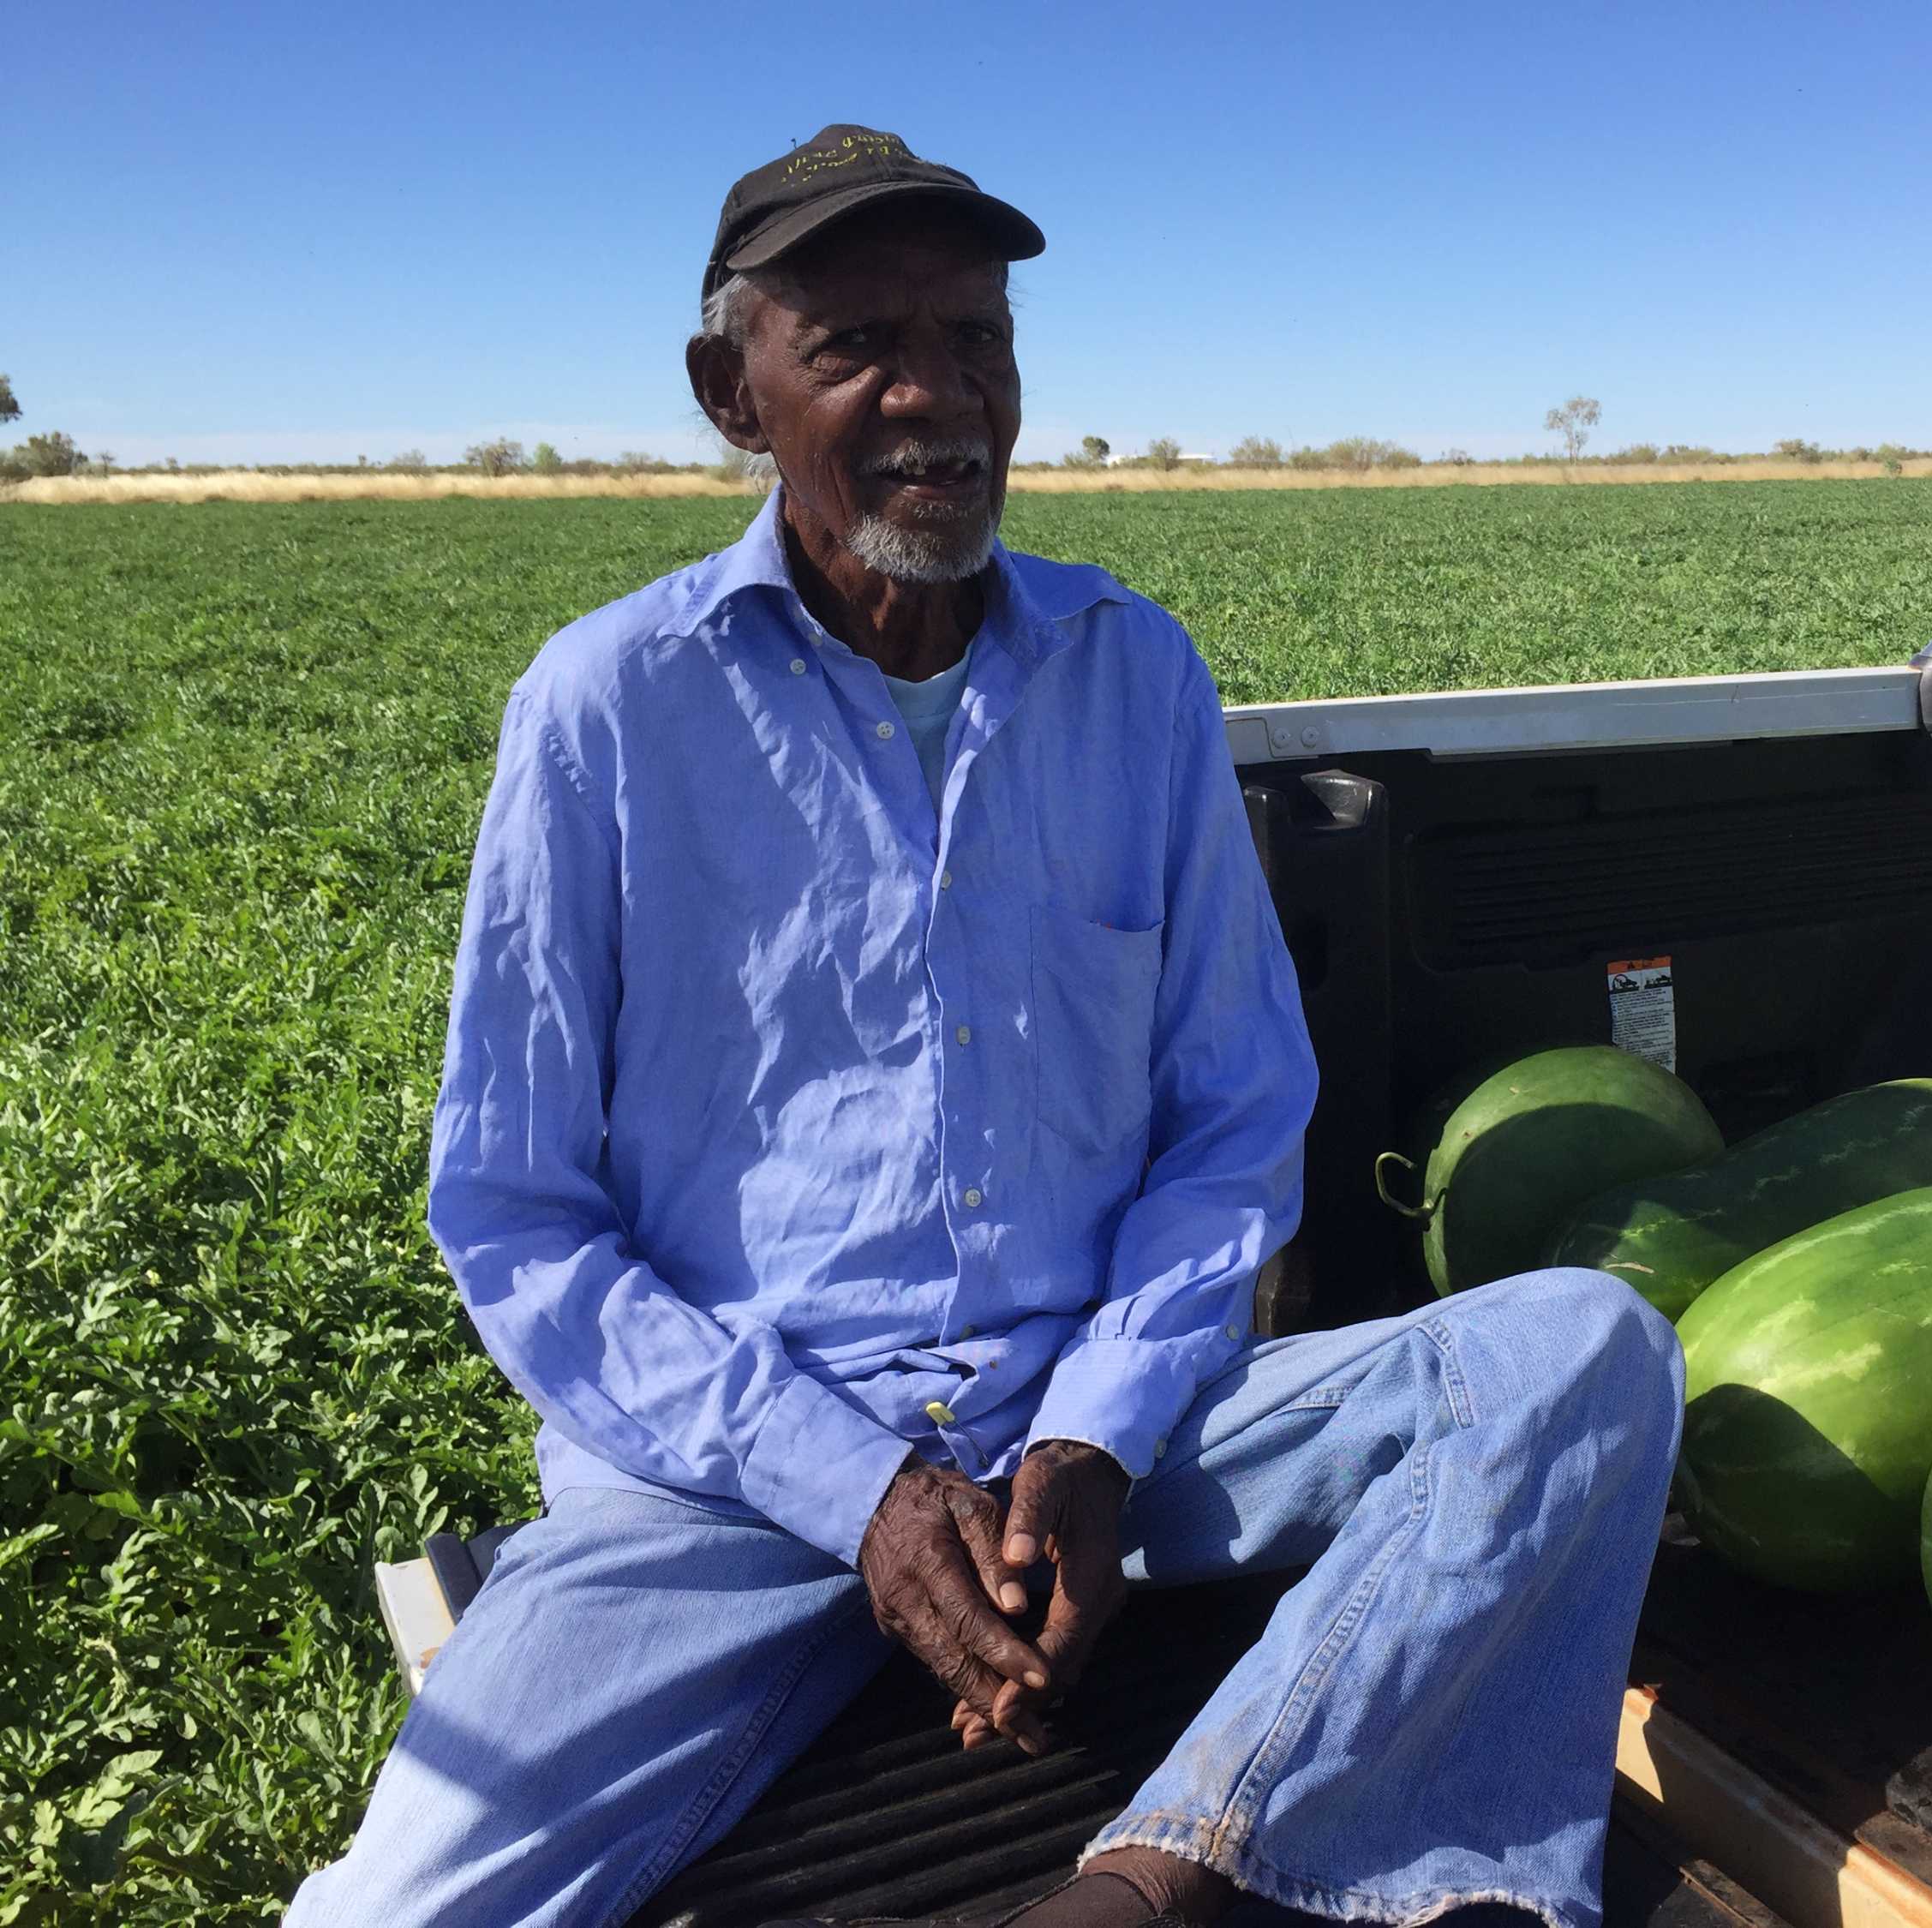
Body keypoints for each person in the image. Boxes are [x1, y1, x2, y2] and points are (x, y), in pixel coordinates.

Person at [284, 124, 1682, 1928]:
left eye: (977, 340)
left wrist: (1095, 1435)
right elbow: (517, 1217)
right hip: (731, 1480)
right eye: (858, 345)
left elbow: (1232, 1118)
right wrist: (856, 1489)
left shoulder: (1134, 673)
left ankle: (1162, 1874)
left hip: (1108, 1438)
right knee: (401, 1907)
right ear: (732, 391)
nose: (937, 396)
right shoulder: (606, 710)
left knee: (1577, 1357)